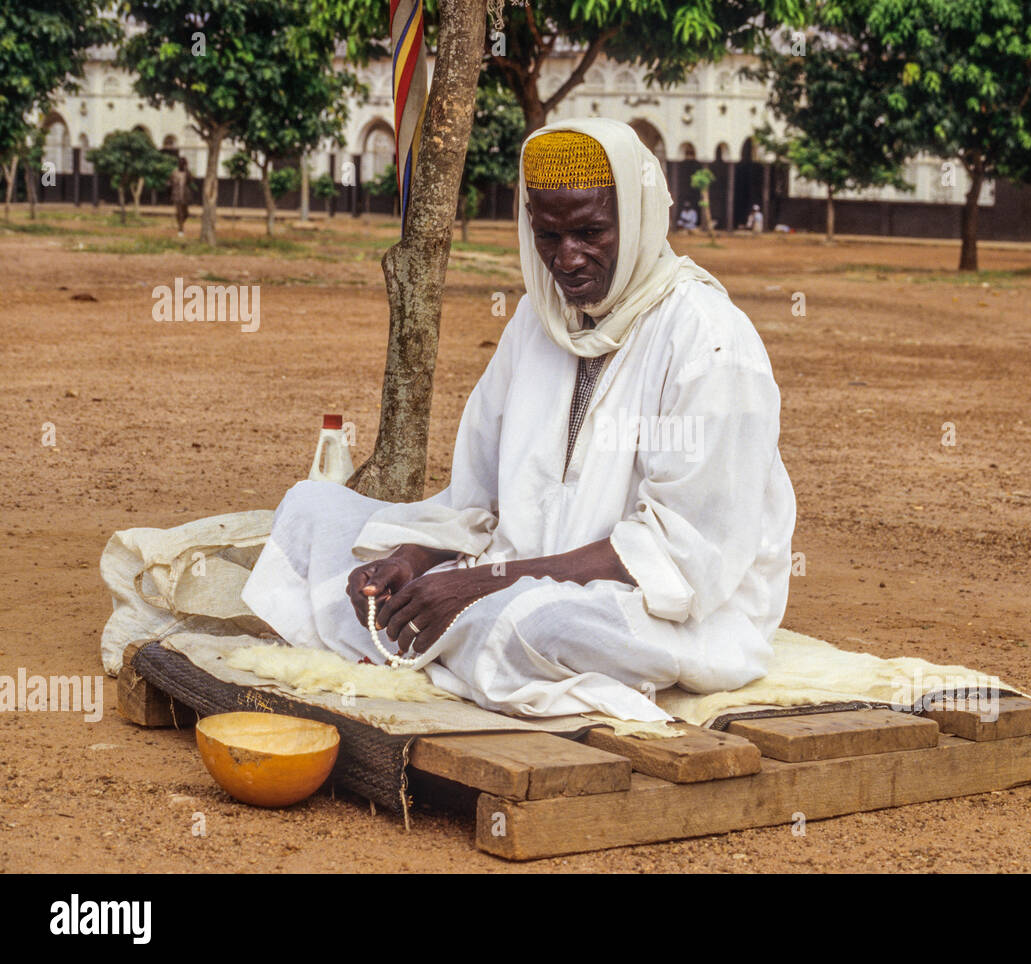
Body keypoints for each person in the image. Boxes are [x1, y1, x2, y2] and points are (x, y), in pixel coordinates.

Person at [241, 119, 797, 723]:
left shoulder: (710, 340)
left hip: (664, 613)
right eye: (548, 234)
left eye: (590, 232)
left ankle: (446, 644)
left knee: (533, 623)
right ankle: (446, 641)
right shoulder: (538, 319)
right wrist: (414, 558)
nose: (567, 258)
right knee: (313, 511)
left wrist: (491, 582)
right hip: (520, 569)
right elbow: (478, 493)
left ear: (635, 219)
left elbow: (683, 557)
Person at [169, 157, 195, 238]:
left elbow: (191, 181)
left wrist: (187, 170)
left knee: (186, 213)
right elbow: (170, 181)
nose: (181, 165)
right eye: (180, 163)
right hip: (176, 195)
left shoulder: (187, 173)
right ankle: (180, 230)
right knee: (179, 213)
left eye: (183, 163)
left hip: (185, 196)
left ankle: (180, 223)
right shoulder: (174, 172)